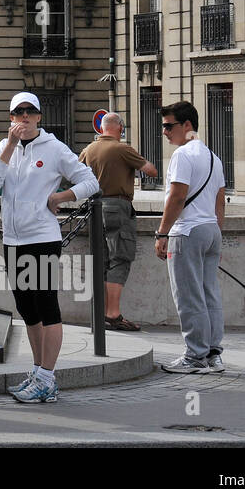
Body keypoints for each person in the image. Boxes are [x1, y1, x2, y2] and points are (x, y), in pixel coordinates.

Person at [0, 91, 99, 404]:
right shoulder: (3, 147)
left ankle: (47, 376)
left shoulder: (54, 148)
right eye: (18, 112)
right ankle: (39, 372)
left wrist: (61, 197)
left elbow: (90, 182)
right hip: (13, 239)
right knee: (26, 308)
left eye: (29, 111)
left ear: (38, 116)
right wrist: (7, 146)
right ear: (10, 117)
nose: (23, 117)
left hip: (42, 238)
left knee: (46, 305)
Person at [155, 101, 227, 374]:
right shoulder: (212, 156)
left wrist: (162, 232)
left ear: (187, 126)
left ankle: (195, 357)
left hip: (186, 231)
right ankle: (212, 354)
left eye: (168, 125)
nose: (164, 131)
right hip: (210, 230)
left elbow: (178, 195)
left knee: (189, 296)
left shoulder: (182, 156)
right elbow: (220, 200)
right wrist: (217, 233)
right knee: (210, 294)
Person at [78, 112, 158, 331]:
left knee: (102, 260)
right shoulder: (122, 149)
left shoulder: (89, 149)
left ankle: (101, 314)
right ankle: (112, 314)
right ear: (120, 128)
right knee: (120, 258)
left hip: (94, 208)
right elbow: (151, 170)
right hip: (118, 207)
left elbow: (75, 174)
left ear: (101, 128)